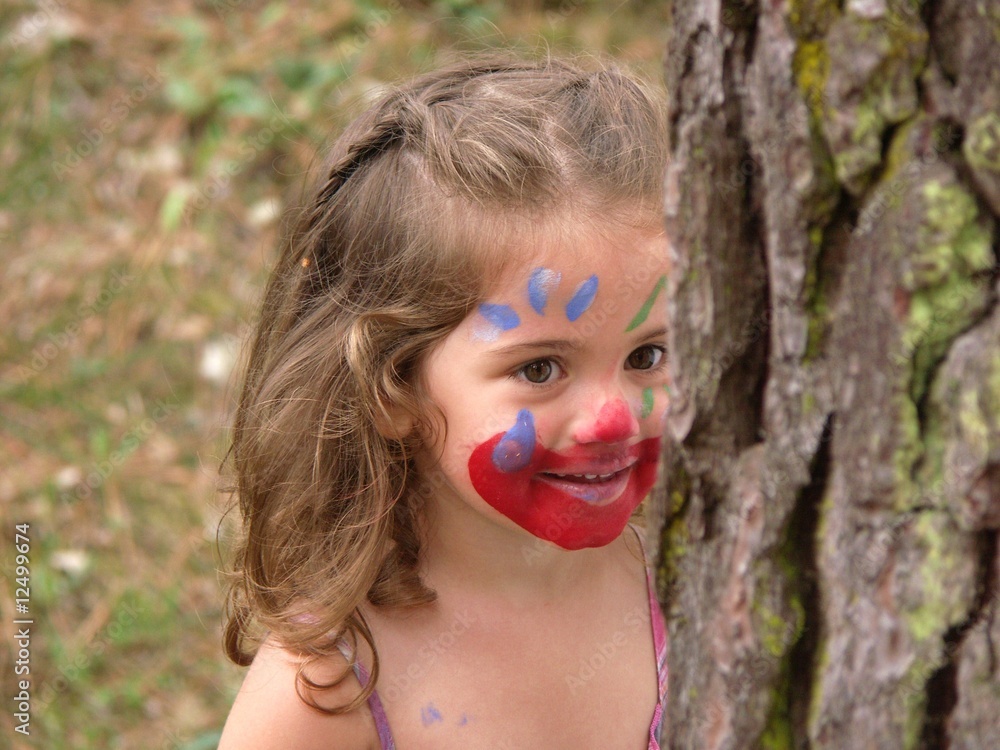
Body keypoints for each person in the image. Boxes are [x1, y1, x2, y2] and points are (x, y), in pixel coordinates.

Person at [218, 52, 671, 750]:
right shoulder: (332, 686)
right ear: (391, 386)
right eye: (542, 367)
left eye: (647, 357)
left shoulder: (689, 579)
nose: (613, 418)